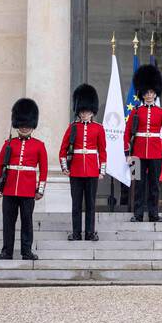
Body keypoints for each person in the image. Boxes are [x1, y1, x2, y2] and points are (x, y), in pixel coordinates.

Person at [0, 98, 48, 259]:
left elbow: (43, 169)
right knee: (8, 223)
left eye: (27, 125)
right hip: (10, 188)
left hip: (27, 189)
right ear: (17, 124)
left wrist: (40, 190)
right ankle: (7, 251)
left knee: (27, 222)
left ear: (32, 125)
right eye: (22, 124)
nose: (24, 128)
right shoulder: (9, 143)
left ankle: (26, 251)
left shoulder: (39, 145)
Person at [61, 83, 107, 241]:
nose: (84, 114)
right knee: (76, 205)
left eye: (87, 111)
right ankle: (76, 233)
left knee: (90, 204)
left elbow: (102, 151)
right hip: (76, 170)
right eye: (81, 111)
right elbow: (63, 149)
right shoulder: (72, 127)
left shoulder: (98, 128)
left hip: (92, 171)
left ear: (92, 111)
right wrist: (65, 168)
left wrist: (102, 170)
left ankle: (89, 232)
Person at [126, 66, 162, 223]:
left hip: (155, 153)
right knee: (138, 184)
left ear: (155, 93)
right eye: (146, 93)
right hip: (137, 154)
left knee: (154, 185)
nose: (149, 95)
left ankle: (153, 213)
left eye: (151, 92)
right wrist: (128, 154)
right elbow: (127, 133)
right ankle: (137, 213)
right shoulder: (135, 112)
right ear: (142, 94)